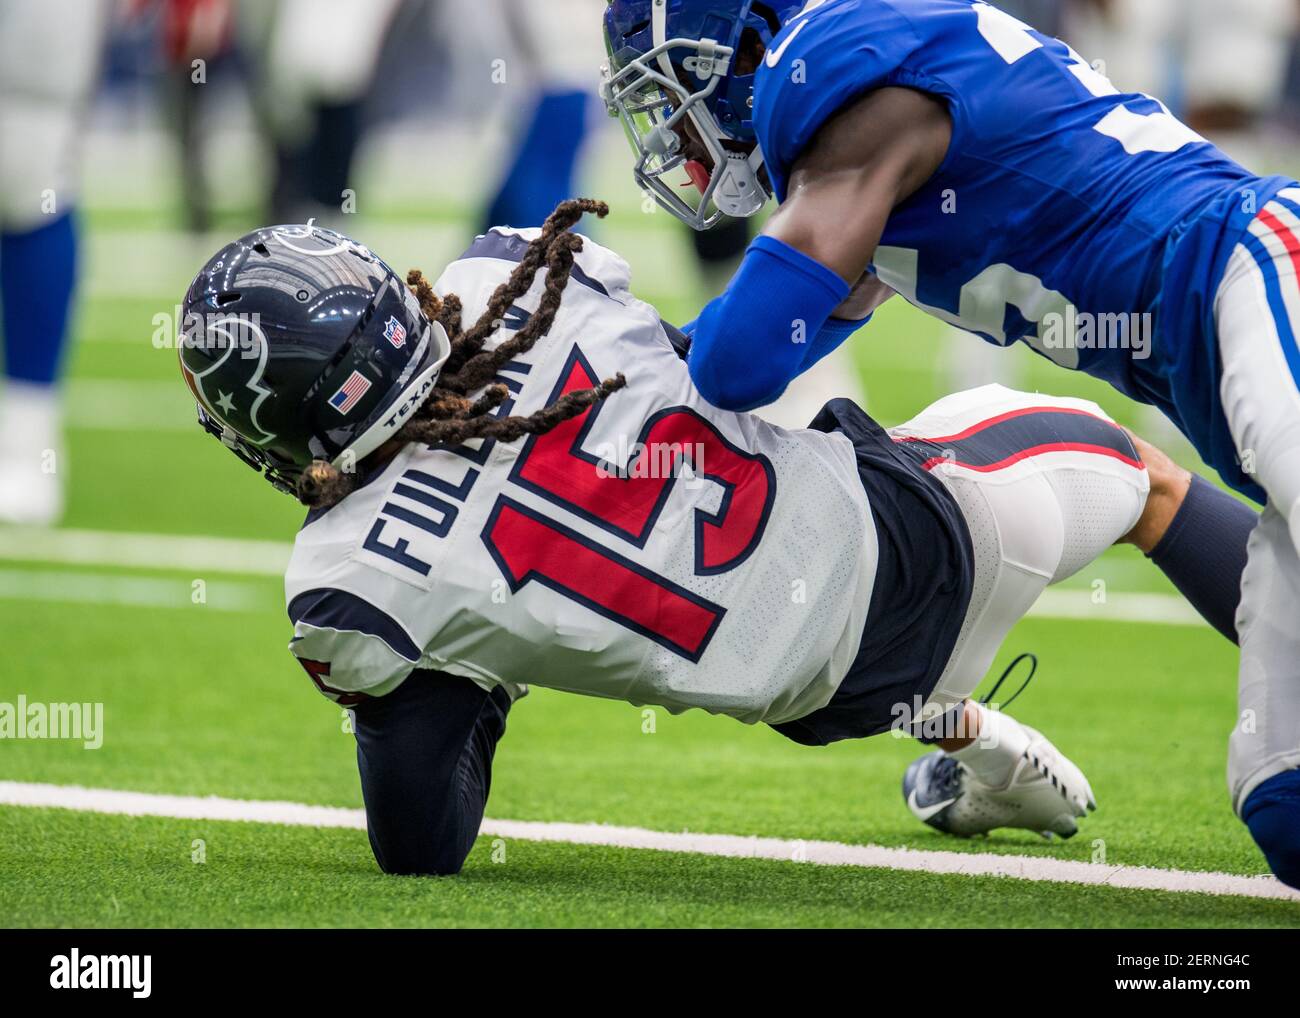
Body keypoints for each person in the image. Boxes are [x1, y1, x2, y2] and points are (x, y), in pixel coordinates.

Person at [178, 203, 1242, 875]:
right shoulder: (516, 283)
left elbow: (419, 847)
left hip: (823, 700)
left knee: (447, 662)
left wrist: (471, 652)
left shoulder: (343, 589)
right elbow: (708, 382)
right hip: (945, 537)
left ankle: (972, 746)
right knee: (1145, 483)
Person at [601, 0, 1298, 888]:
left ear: (740, 40)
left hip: (1258, 267)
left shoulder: (836, 66)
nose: (671, 126)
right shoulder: (876, 135)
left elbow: (740, 364)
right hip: (1227, 339)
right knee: (1286, 800)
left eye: (674, 86)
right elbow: (752, 346)